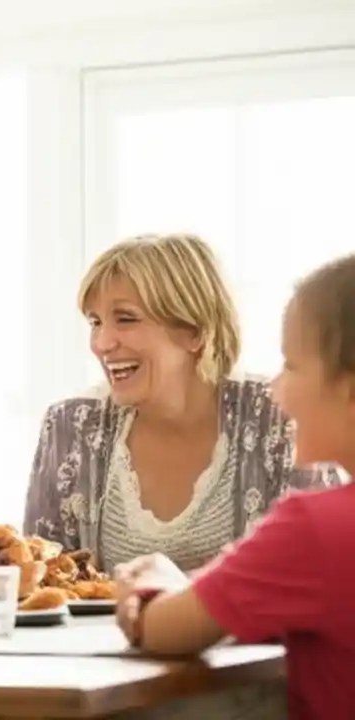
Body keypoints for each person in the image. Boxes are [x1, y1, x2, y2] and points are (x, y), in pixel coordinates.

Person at [114, 253, 355, 719]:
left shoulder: (317, 528)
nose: (275, 389)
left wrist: (144, 591)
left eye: (292, 366)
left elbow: (165, 629)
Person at [23, 234, 338, 571]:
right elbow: (40, 580)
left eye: (126, 319)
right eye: (95, 322)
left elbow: (322, 573)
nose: (101, 344)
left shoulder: (280, 418)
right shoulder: (69, 427)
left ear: (194, 332)